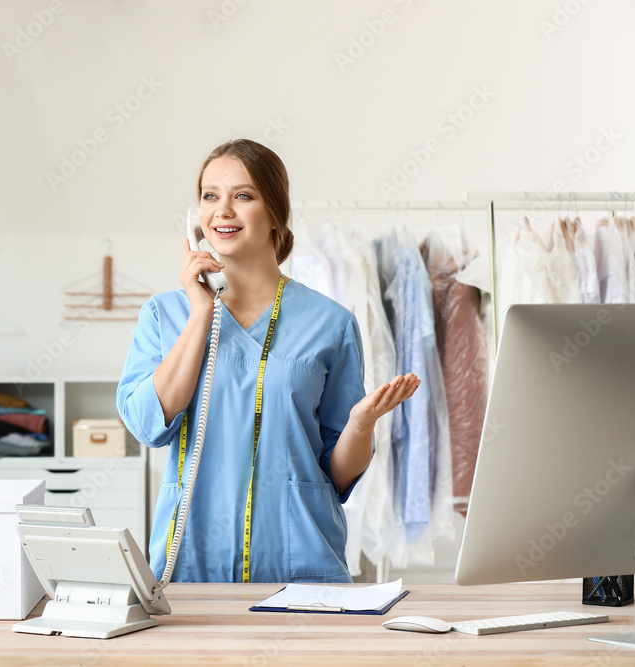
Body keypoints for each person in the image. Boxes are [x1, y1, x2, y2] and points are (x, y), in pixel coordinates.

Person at [117, 138, 419, 583]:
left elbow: (336, 477)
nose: (222, 211)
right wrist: (201, 312)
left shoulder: (330, 323)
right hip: (191, 568)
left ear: (274, 212)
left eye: (242, 195)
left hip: (302, 568)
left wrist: (359, 425)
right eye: (209, 196)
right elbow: (147, 425)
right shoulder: (165, 314)